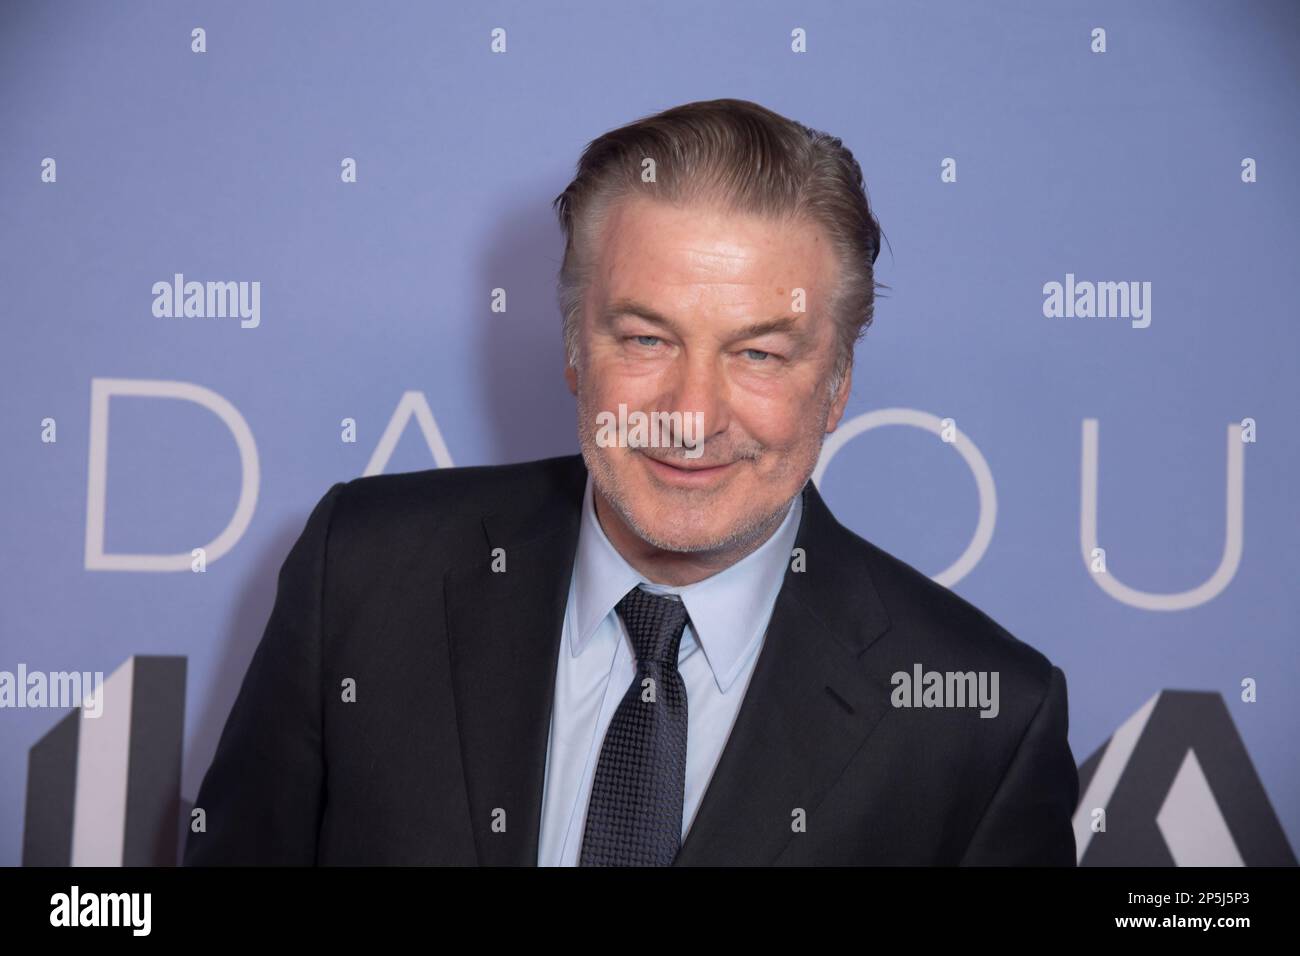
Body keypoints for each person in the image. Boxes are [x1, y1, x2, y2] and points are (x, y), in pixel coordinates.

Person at [185, 98, 1078, 866]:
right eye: (648, 339)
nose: (692, 413)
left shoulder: (983, 721)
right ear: (577, 348)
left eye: (760, 353)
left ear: (837, 384)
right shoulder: (364, 575)